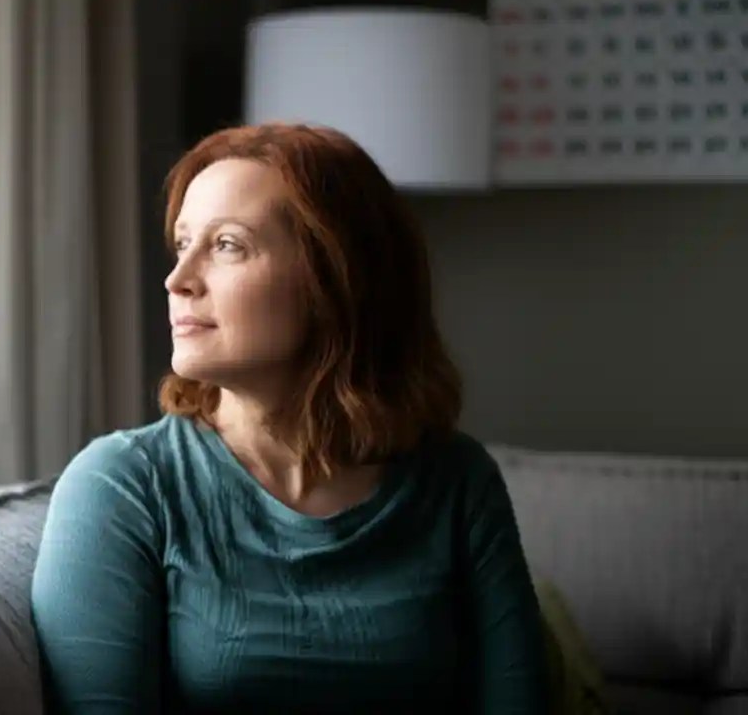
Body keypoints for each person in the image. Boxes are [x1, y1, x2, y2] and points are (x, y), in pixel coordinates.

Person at [31, 123, 549, 713]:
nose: (178, 280)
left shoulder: (457, 480)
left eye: (226, 245)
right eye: (183, 244)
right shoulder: (123, 485)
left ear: (334, 279)